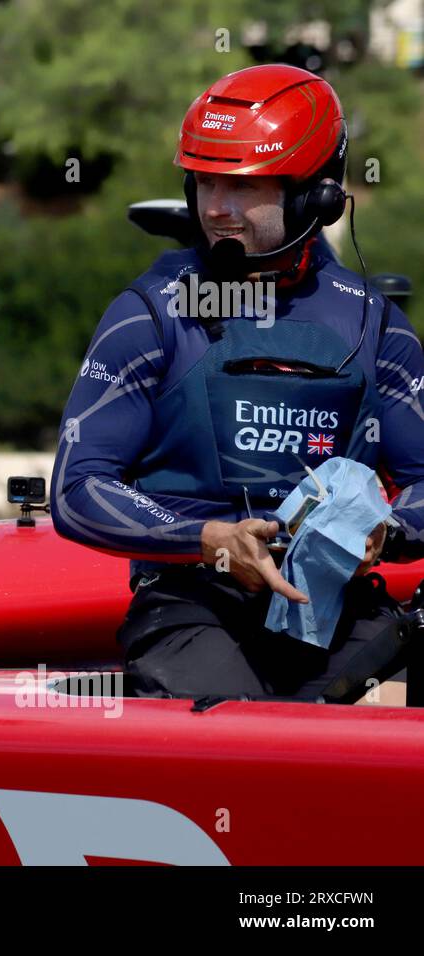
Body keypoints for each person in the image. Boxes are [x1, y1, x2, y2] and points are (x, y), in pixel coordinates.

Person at [50, 65, 424, 701]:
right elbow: (78, 488)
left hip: (338, 613)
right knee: (231, 718)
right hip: (193, 607)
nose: (216, 208)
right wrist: (207, 540)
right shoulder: (149, 314)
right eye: (204, 182)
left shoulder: (375, 322)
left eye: (242, 187)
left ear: (315, 196)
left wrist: (385, 530)